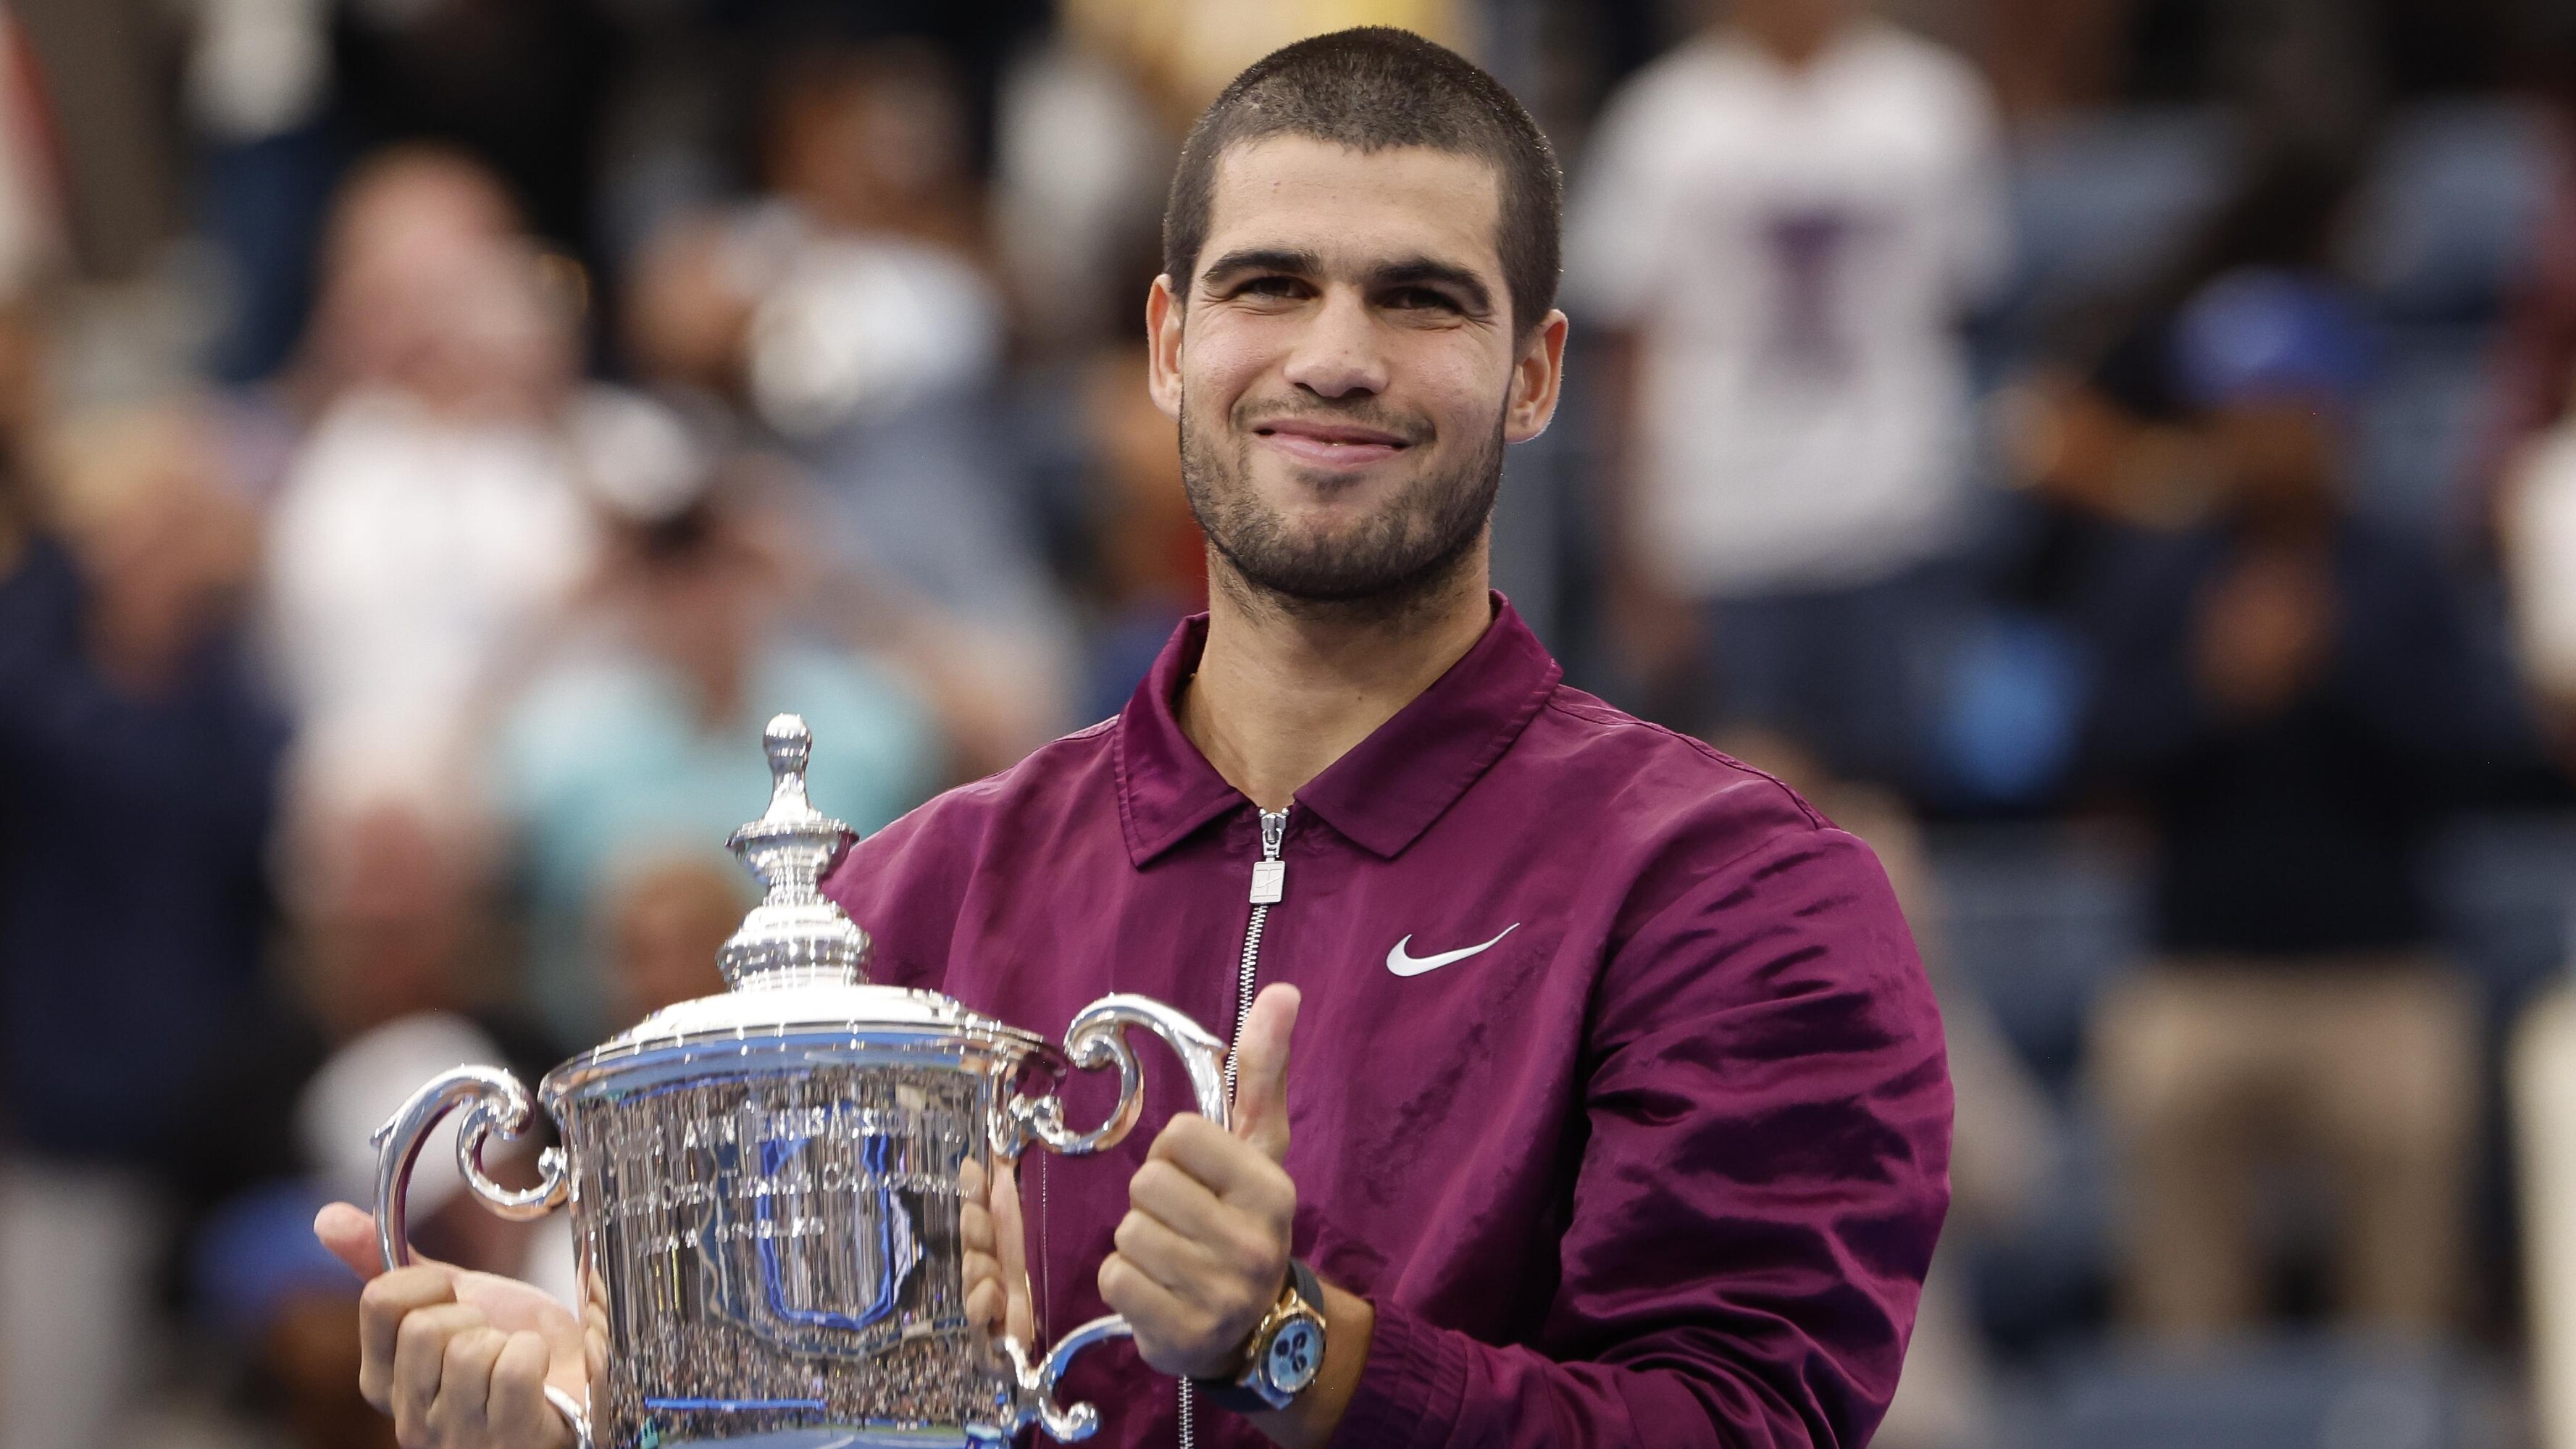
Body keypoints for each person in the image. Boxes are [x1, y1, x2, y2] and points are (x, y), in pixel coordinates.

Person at [316, 29, 1952, 1449]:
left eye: (1420, 298)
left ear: (1534, 374)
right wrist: (605, 1411)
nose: (1333, 354)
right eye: (1271, 284)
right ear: (1170, 343)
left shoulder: (1733, 892)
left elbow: (1746, 1419)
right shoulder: (918, 901)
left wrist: (1305, 1347)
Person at [2084, 269, 2504, 1340]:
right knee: (2182, 1319)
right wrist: (2214, 692)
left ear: (2337, 415)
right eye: (2240, 410)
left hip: (2380, 978)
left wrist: (2335, 661)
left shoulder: (2401, 569)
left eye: (2289, 407)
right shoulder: (2160, 571)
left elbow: (2473, 758)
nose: (2265, 435)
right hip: (2199, 977)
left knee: (2406, 1317)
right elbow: (2093, 759)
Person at [1570, 0, 2007, 785]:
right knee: (1737, 804)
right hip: (1722, 529)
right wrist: (1634, 553)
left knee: (1884, 803)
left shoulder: (1931, 103)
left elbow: (1962, 308)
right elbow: (1627, 350)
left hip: (1894, 516)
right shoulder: (1665, 119)